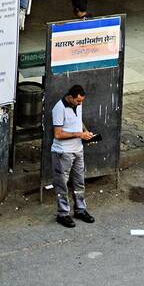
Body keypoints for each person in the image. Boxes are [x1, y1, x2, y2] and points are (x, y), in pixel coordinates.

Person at [50, 85, 96, 228]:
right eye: (78, 101)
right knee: (62, 184)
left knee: (79, 182)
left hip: (78, 150)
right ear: (70, 97)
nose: (80, 104)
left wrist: (86, 132)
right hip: (63, 152)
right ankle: (63, 214)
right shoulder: (59, 108)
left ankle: (80, 210)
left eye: (81, 101)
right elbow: (57, 134)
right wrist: (79, 134)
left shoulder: (77, 104)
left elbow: (78, 120)